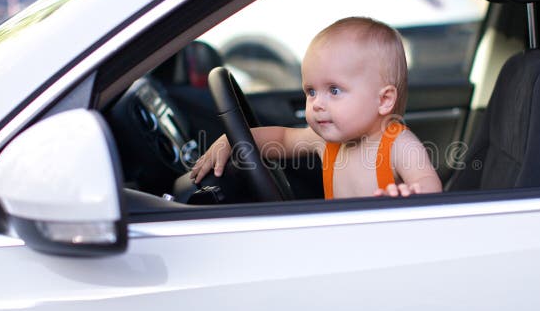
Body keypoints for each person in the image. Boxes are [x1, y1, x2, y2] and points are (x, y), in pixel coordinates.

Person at [189, 16, 442, 198]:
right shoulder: (325, 141)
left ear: (384, 100)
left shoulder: (398, 144)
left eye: (334, 90)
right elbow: (282, 138)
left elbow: (430, 185)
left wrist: (408, 196)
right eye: (311, 91)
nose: (317, 103)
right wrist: (230, 140)